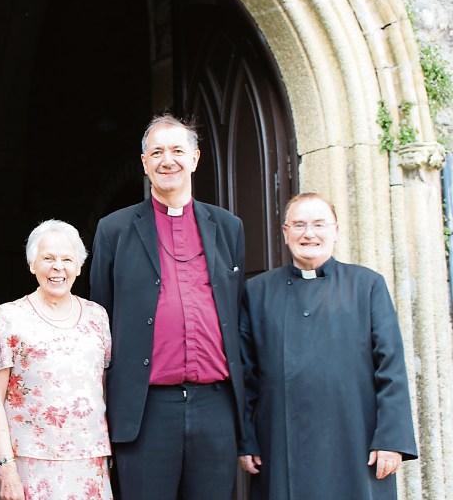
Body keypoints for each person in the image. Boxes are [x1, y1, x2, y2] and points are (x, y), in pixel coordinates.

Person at [90, 114, 246, 500]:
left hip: (215, 404)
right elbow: (99, 321)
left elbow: (236, 312)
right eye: (157, 152)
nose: (167, 160)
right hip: (146, 408)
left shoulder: (228, 227)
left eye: (178, 150)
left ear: (195, 159)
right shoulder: (114, 229)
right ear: (144, 163)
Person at [238, 192, 417, 499]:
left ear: (335, 230)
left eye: (319, 224)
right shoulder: (257, 292)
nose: (309, 234)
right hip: (279, 446)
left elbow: (391, 367)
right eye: (299, 225)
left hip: (356, 442)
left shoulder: (367, 285)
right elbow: (244, 374)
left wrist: (391, 438)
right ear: (285, 232)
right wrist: (246, 440)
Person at [0, 220, 112, 500]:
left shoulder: (97, 317)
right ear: (32, 264)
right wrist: (5, 468)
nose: (58, 267)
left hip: (89, 461)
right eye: (48, 258)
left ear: (79, 266)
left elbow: (101, 387)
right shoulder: (9, 317)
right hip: (30, 463)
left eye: (67, 259)